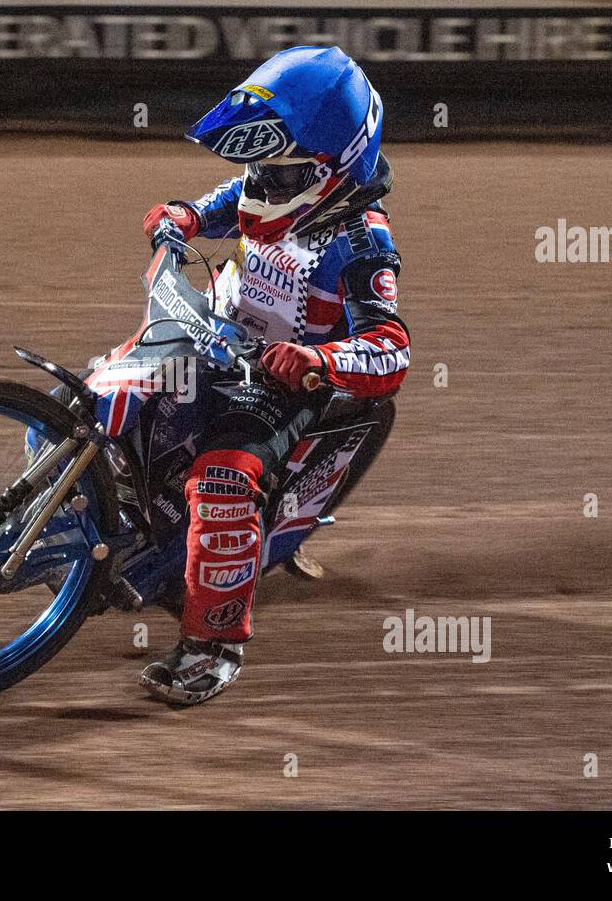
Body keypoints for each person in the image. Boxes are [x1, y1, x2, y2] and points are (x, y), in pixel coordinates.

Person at [137, 45, 411, 705]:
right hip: (214, 335)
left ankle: (212, 644)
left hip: (282, 384)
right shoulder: (278, 181)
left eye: (279, 175)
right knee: (112, 394)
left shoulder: (359, 242)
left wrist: (318, 359)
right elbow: (236, 199)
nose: (263, 184)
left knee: (223, 476)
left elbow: (392, 346)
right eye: (260, 168)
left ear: (330, 170)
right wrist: (188, 217)